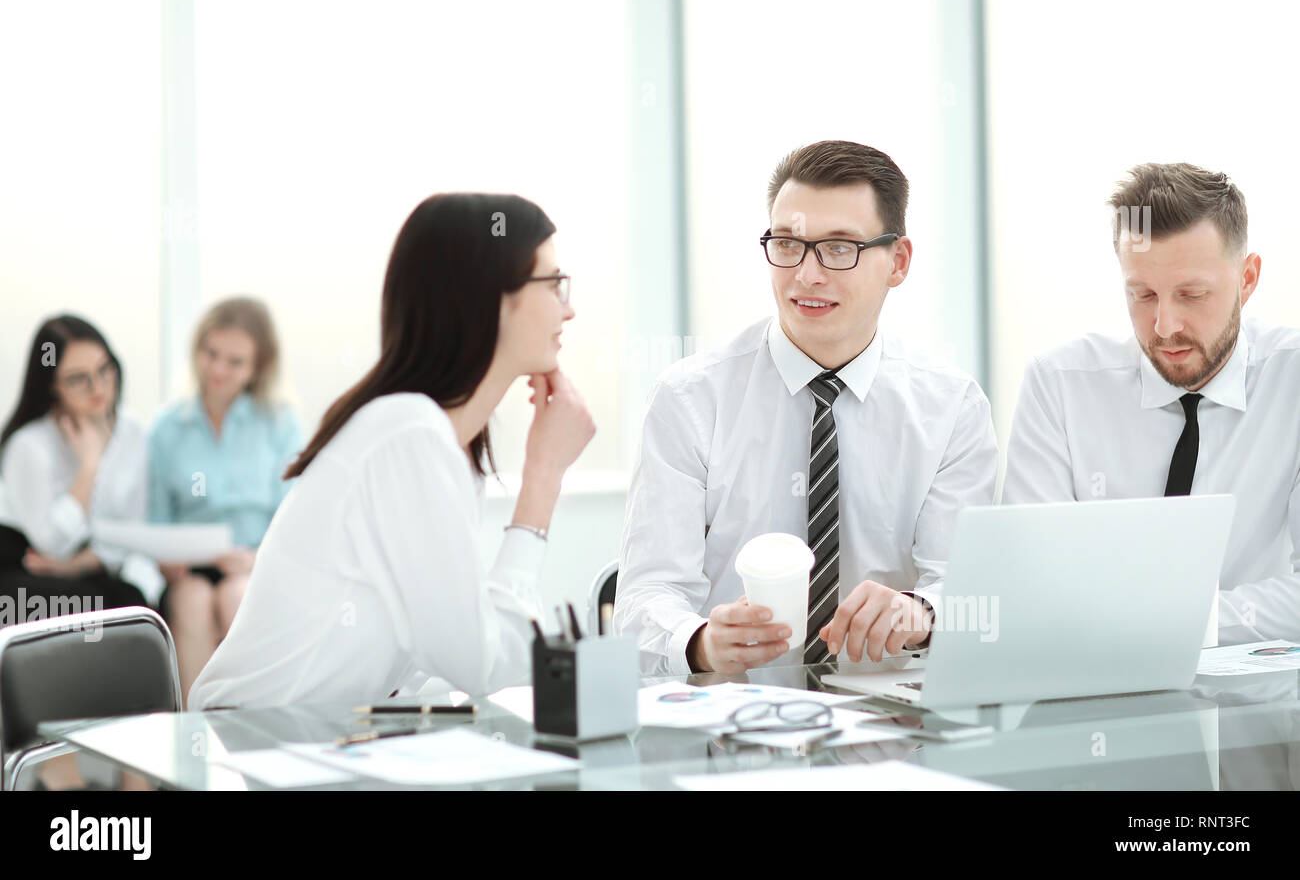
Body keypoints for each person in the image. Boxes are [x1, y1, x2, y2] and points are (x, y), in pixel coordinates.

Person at [189, 193, 594, 709]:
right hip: (255, 749)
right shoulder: (408, 435)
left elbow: (435, 658)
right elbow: (479, 662)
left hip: (317, 744)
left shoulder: (434, 442)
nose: (570, 307)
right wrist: (543, 477)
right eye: (553, 283)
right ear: (492, 296)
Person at [615, 140, 999, 676]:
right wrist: (700, 642)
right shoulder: (690, 398)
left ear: (899, 261)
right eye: (789, 244)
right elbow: (643, 599)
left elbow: (968, 592)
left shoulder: (951, 407)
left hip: (891, 727)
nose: (807, 275)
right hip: (731, 727)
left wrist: (921, 611)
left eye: (840, 248)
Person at [1002, 162, 1300, 645]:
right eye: (1142, 295)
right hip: (1093, 693)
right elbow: (1028, 577)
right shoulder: (1059, 383)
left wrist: (1177, 623)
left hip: (1255, 705)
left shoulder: (1292, 381)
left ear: (1248, 279)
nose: (1164, 326)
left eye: (1192, 294)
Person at [0, 314, 161, 789]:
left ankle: (139, 775)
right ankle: (59, 767)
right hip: (19, 572)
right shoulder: (30, 444)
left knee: (133, 603)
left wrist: (77, 563)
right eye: (78, 379)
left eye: (105, 371)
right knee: (77, 612)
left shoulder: (132, 432)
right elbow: (46, 541)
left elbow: (125, 535)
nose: (98, 388)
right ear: (51, 386)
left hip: (82, 568)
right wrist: (88, 466)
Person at [148, 297, 304, 704]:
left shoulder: (280, 424)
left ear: (257, 367)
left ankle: (246, 735)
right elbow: (157, 523)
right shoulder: (167, 429)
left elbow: (296, 519)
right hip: (190, 570)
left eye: (235, 362)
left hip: (256, 563)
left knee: (238, 595)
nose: (218, 370)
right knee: (194, 601)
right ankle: (197, 737)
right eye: (211, 354)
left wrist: (255, 560)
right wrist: (167, 558)